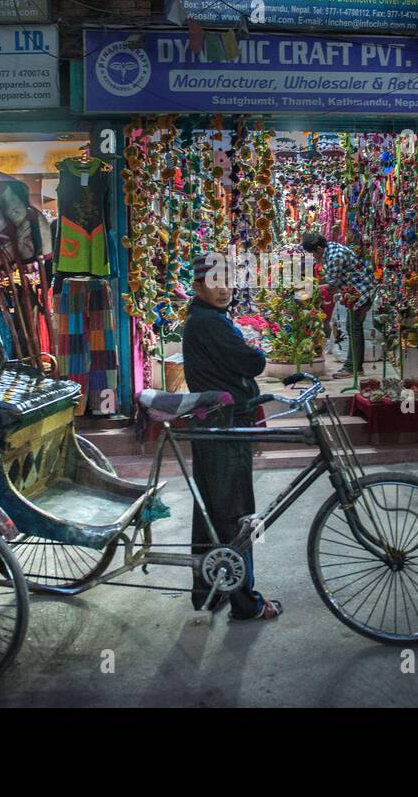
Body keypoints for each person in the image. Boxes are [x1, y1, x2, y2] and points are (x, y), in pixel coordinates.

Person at [181, 254, 282, 622]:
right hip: (223, 428)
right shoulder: (209, 323)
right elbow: (253, 363)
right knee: (235, 517)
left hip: (214, 425)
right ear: (198, 288)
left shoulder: (206, 319)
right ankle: (245, 603)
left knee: (211, 513)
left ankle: (208, 592)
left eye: (227, 280)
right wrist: (255, 352)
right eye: (214, 282)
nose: (223, 289)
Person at [301, 232, 376, 377]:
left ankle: (351, 368)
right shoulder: (332, 249)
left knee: (354, 329)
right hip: (356, 293)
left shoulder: (335, 256)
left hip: (360, 294)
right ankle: (356, 367)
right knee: (353, 328)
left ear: (318, 248)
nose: (313, 257)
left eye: (312, 253)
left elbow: (331, 284)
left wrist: (308, 290)